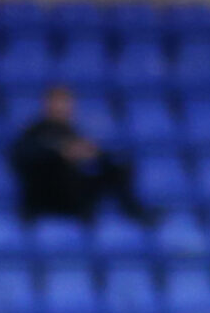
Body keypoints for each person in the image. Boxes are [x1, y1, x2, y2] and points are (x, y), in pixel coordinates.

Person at [10, 85, 152, 223]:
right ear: (46, 105)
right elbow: (24, 155)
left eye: (66, 103)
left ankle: (133, 211)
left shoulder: (72, 131)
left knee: (117, 166)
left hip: (73, 196)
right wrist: (60, 153)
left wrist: (91, 153)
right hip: (44, 195)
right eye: (57, 103)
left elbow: (92, 156)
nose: (62, 108)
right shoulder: (34, 131)